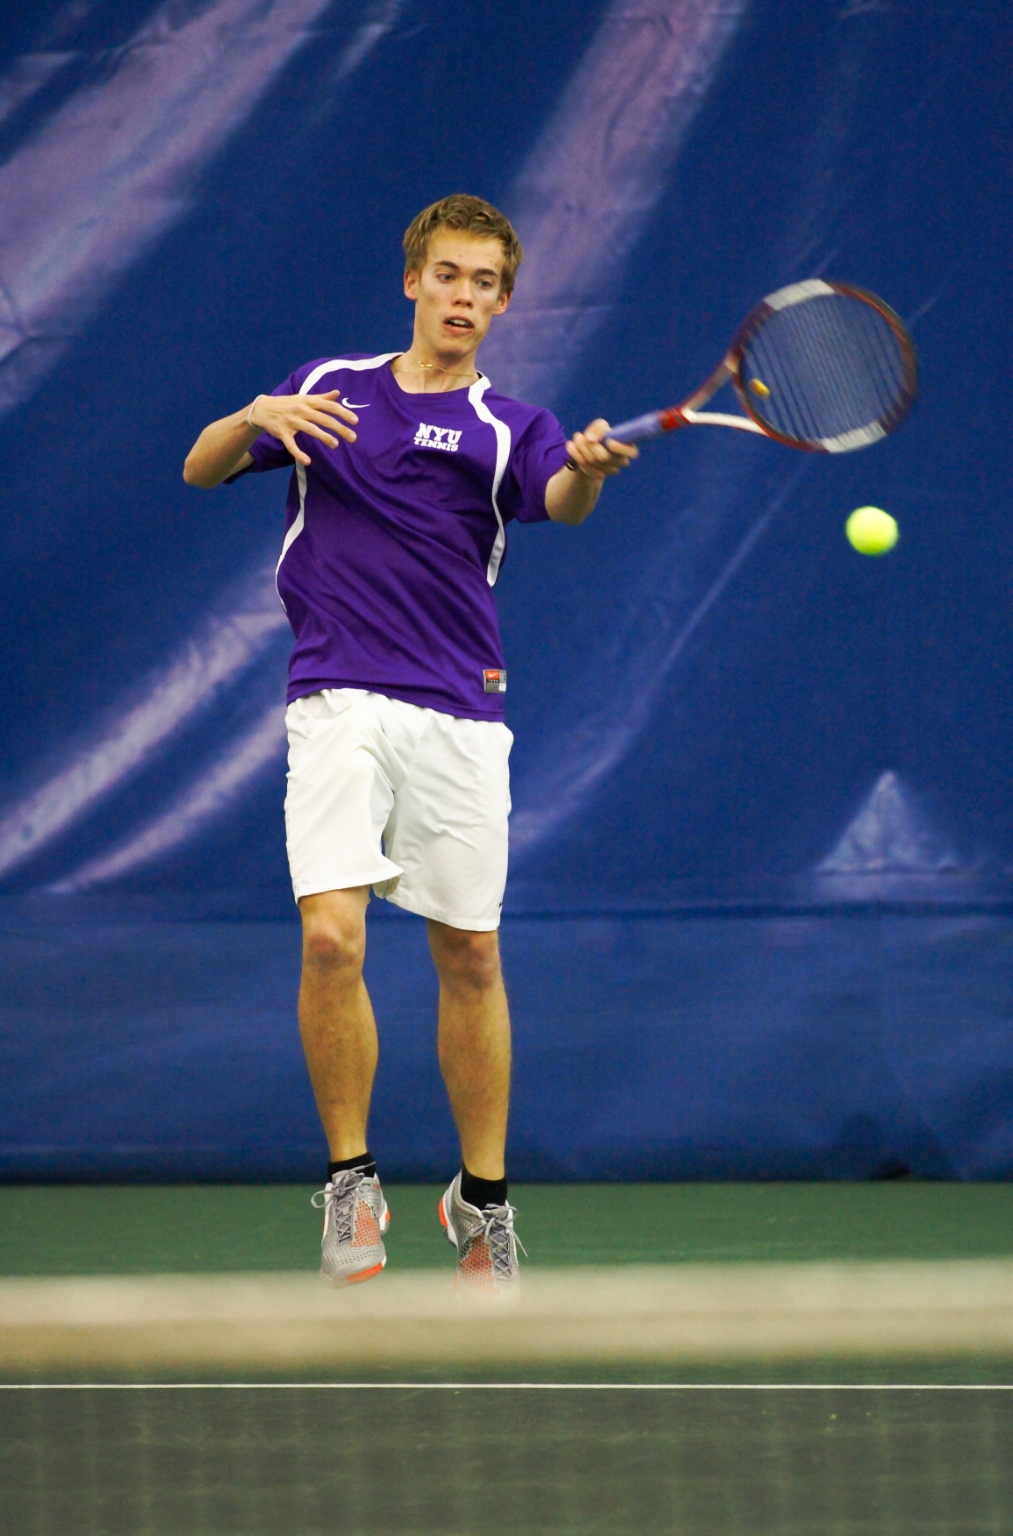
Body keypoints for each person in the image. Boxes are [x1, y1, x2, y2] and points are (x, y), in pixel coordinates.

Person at [183, 194, 636, 1296]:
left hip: (458, 711)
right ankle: (351, 1180)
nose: (463, 298)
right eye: (448, 275)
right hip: (336, 696)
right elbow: (201, 467)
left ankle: (481, 1200)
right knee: (332, 940)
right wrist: (256, 416)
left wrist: (586, 469)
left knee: (468, 956)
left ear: (503, 301)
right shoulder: (330, 388)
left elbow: (560, 503)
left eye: (484, 283)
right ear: (412, 282)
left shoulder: (510, 427)